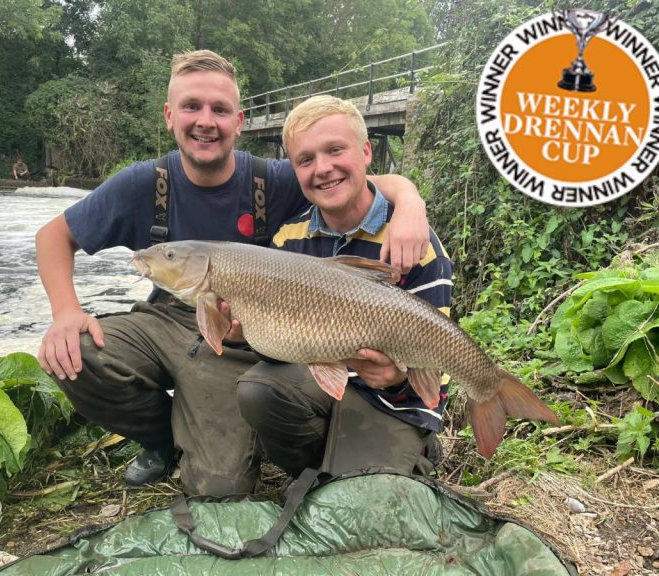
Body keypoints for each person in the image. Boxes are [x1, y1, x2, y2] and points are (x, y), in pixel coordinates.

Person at [35, 50, 431, 497]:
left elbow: (360, 177)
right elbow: (53, 237)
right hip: (166, 319)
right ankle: (161, 440)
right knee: (75, 351)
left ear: (238, 122)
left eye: (220, 110)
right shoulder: (140, 183)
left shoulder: (277, 179)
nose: (206, 120)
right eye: (191, 106)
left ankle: (213, 433)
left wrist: (411, 204)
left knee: (220, 489)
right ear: (169, 115)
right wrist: (65, 312)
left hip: (240, 334)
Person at [236, 95, 453, 482]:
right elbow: (280, 338)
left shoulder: (413, 240)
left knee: (362, 502)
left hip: (393, 403)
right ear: (295, 169)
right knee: (258, 390)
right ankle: (316, 465)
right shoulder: (288, 240)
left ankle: (413, 449)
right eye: (305, 160)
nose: (323, 168)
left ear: (367, 151)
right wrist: (244, 326)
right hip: (324, 384)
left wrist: (399, 376)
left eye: (335, 150)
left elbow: (436, 359)